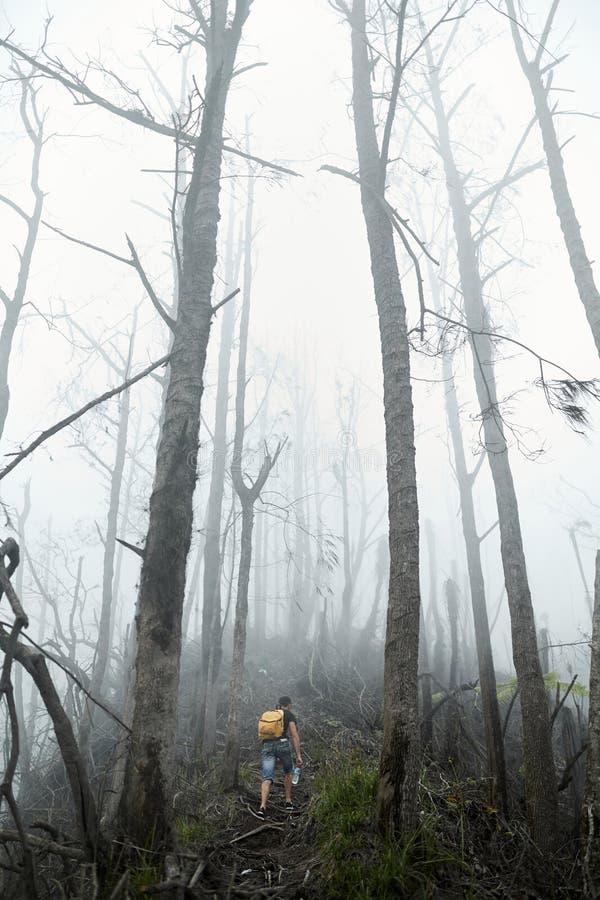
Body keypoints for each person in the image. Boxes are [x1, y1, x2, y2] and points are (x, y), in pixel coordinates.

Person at [257, 695, 302, 818]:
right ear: (289, 704)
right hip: (283, 745)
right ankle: (288, 802)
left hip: (267, 745)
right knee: (288, 772)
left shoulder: (271, 714)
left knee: (267, 777)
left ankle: (262, 807)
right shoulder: (288, 715)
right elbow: (294, 735)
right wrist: (298, 755)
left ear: (279, 704)